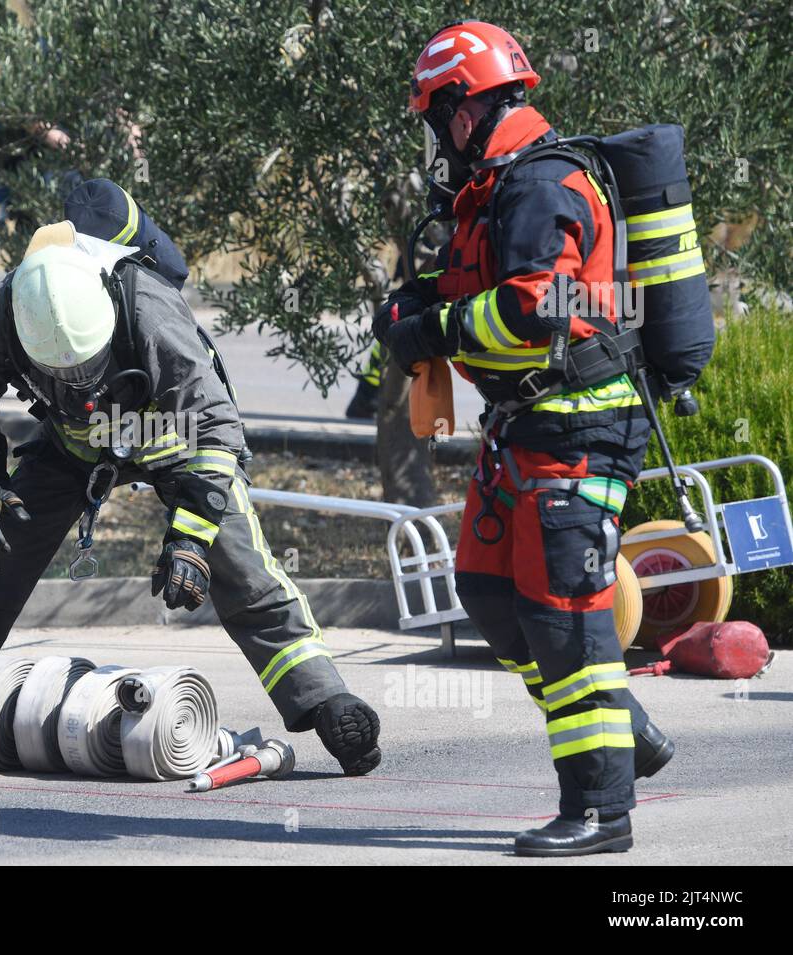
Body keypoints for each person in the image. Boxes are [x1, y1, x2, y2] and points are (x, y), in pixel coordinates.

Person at [0, 183, 382, 774]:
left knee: (243, 569)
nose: (81, 382)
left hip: (173, 437)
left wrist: (190, 541)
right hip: (71, 445)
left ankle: (326, 702)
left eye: (87, 366)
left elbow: (219, 432)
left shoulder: (146, 305)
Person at [376, 20, 674, 856]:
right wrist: (416, 304)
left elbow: (537, 311)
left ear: (466, 111)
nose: (439, 140)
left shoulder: (542, 185)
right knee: (487, 592)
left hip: (580, 429)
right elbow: (481, 281)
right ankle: (627, 732)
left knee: (565, 621)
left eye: (439, 120)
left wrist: (434, 328)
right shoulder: (496, 188)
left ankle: (600, 811)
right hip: (524, 431)